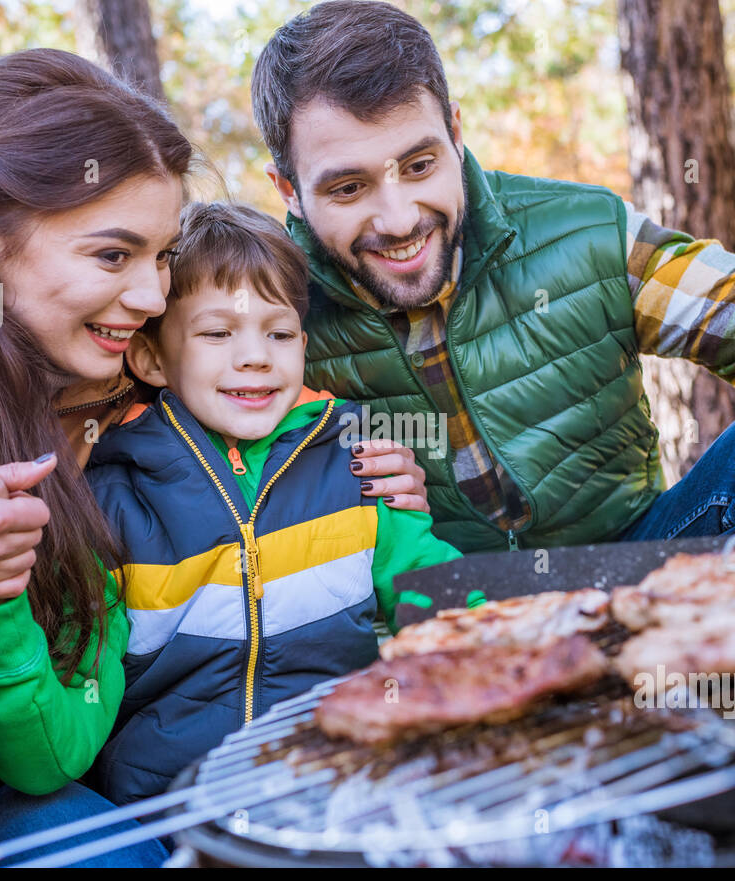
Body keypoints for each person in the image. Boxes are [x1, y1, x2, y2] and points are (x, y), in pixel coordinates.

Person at [0, 48, 426, 867]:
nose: (149, 297)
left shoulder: (133, 354)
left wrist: (366, 473)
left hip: (0, 791)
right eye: (112, 255)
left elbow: (263, 407)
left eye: (162, 255)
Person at [250, 1, 735, 554]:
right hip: (432, 617)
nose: (398, 219)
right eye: (347, 187)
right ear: (287, 188)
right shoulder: (263, 306)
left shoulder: (583, 233)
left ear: (455, 133)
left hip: (636, 571)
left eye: (420, 165)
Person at [83, 202, 466, 807]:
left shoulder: (356, 464)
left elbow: (439, 599)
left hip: (346, 781)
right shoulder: (113, 498)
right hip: (170, 805)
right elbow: (83, 692)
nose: (256, 356)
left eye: (279, 333)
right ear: (152, 357)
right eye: (217, 333)